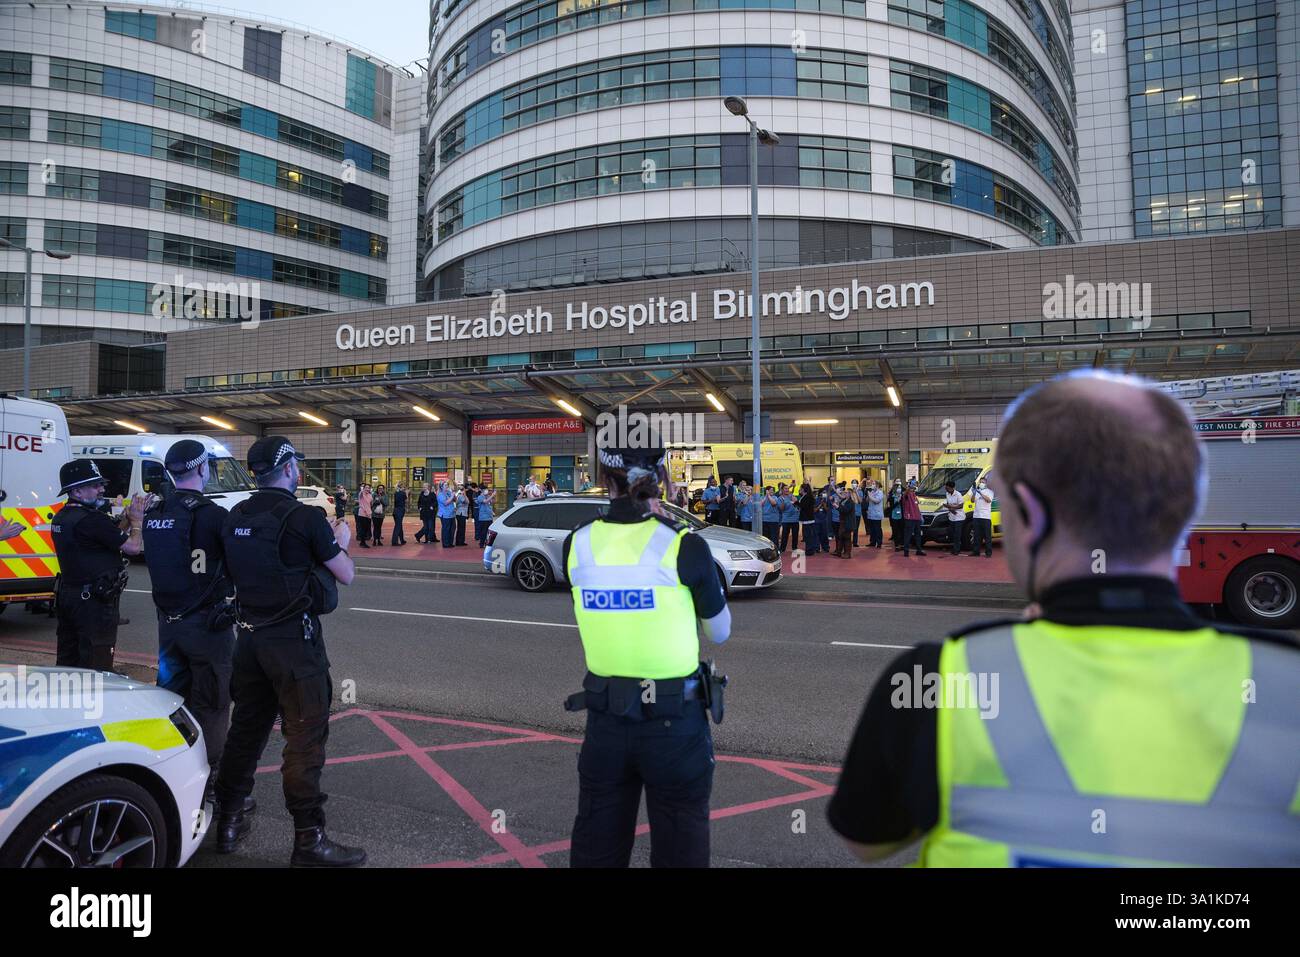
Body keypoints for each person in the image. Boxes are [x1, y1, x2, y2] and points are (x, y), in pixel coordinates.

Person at [828, 370, 1300, 867]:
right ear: (1186, 509)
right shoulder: (1285, 684)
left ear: (1030, 513)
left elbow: (868, 842)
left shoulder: (935, 679)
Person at [561, 443, 731, 868]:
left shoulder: (576, 544)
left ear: (606, 482)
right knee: (680, 846)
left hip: (605, 722)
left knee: (597, 843)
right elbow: (720, 631)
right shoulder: (683, 545)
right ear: (662, 482)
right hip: (674, 724)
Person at [212, 436, 363, 867]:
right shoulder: (305, 518)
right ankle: (309, 839)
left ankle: (227, 820)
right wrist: (343, 540)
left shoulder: (234, 515)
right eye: (296, 464)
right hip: (293, 647)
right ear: (289, 470)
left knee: (246, 731)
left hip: (249, 641)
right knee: (304, 740)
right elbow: (346, 575)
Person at [141, 440, 239, 799]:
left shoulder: (154, 513)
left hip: (168, 626)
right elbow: (236, 564)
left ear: (170, 472)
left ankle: (167, 770)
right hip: (208, 627)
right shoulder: (214, 515)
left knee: (171, 700)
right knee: (212, 704)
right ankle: (208, 784)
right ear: (203, 469)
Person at [49, 459, 145, 671]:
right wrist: (136, 522)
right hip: (92, 604)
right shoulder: (91, 520)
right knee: (96, 662)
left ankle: (66, 700)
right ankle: (93, 699)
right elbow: (133, 547)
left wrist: (125, 520)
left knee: (68, 660)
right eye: (95, 485)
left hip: (69, 597)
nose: (102, 489)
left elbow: (105, 537)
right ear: (77, 491)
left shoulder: (62, 517)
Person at [968, 477, 994, 557]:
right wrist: (974, 493)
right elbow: (972, 501)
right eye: (980, 482)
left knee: (987, 536)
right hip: (976, 516)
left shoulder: (989, 491)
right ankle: (976, 551)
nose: (981, 483)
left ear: (986, 483)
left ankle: (988, 552)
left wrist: (980, 493)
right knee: (977, 535)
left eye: (983, 482)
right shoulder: (977, 491)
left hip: (985, 517)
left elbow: (989, 500)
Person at [901, 479, 926, 556]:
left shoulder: (914, 495)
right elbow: (905, 495)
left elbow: (916, 506)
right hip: (909, 518)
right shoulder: (907, 494)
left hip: (916, 517)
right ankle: (906, 551)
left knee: (918, 535)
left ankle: (919, 550)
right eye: (914, 485)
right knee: (908, 535)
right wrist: (909, 487)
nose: (915, 486)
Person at [943, 480, 966, 556]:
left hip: (959, 517)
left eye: (946, 487)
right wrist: (950, 508)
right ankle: (955, 548)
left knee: (957, 534)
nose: (945, 488)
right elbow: (947, 503)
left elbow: (961, 505)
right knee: (951, 533)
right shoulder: (947, 494)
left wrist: (952, 507)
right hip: (951, 516)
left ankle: (957, 550)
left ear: (951, 487)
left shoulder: (958, 494)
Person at [833, 486, 855, 559]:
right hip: (842, 521)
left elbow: (845, 510)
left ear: (850, 494)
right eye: (845, 492)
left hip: (848, 522)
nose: (844, 493)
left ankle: (847, 553)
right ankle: (839, 551)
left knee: (847, 538)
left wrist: (837, 507)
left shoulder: (850, 502)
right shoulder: (843, 500)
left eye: (846, 493)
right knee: (841, 537)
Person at [778, 484, 798, 552]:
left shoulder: (792, 496)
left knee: (795, 535)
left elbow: (797, 505)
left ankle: (794, 548)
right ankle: (782, 549)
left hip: (795, 519)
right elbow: (781, 509)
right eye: (785, 489)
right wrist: (785, 500)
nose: (787, 490)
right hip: (786, 520)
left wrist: (795, 500)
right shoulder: (780, 498)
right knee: (785, 535)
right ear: (782, 490)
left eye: (788, 488)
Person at [797, 482, 817, 552]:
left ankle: (810, 550)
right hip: (807, 518)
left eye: (800, 488)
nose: (799, 490)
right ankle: (810, 548)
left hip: (807, 518)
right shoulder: (806, 496)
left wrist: (796, 502)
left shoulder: (807, 497)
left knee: (808, 535)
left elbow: (804, 506)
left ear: (803, 489)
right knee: (808, 535)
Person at [865, 479, 884, 548]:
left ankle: (879, 542)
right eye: (872, 484)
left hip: (877, 514)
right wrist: (868, 494)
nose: (872, 485)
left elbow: (877, 501)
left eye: (873, 484)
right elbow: (867, 500)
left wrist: (870, 495)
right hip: (871, 513)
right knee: (872, 529)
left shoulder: (880, 492)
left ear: (877, 485)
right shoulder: (871, 491)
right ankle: (872, 542)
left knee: (877, 528)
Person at [887, 479, 905, 550]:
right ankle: (896, 545)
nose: (899, 489)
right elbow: (891, 506)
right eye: (898, 488)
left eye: (900, 488)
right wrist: (897, 501)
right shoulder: (892, 496)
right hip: (894, 515)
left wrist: (901, 498)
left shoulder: (903, 496)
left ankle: (902, 544)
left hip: (901, 515)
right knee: (895, 530)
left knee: (902, 530)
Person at [437, 481, 456, 547]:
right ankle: (445, 543)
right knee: (446, 529)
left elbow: (454, 500)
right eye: (445, 485)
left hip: (452, 514)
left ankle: (450, 542)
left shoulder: (448, 492)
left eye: (447, 485)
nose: (447, 486)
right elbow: (445, 503)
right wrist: (452, 496)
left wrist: (453, 494)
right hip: (445, 514)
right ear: (442, 487)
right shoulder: (440, 494)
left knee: (452, 529)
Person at [355, 484, 372, 548]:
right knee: (363, 528)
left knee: (367, 529)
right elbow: (361, 493)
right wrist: (362, 489)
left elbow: (370, 504)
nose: (367, 489)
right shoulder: (361, 494)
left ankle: (363, 542)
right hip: (362, 513)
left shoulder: (370, 495)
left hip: (369, 514)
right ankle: (362, 542)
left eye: (369, 488)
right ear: (364, 488)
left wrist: (369, 512)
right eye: (366, 488)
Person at [850, 480, 863, 547]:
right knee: (849, 527)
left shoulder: (860, 492)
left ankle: (855, 542)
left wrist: (856, 492)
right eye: (852, 483)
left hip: (857, 512)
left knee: (855, 528)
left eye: (855, 483)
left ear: (857, 484)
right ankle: (848, 541)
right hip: (850, 512)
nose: (853, 484)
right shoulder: (849, 491)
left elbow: (860, 501)